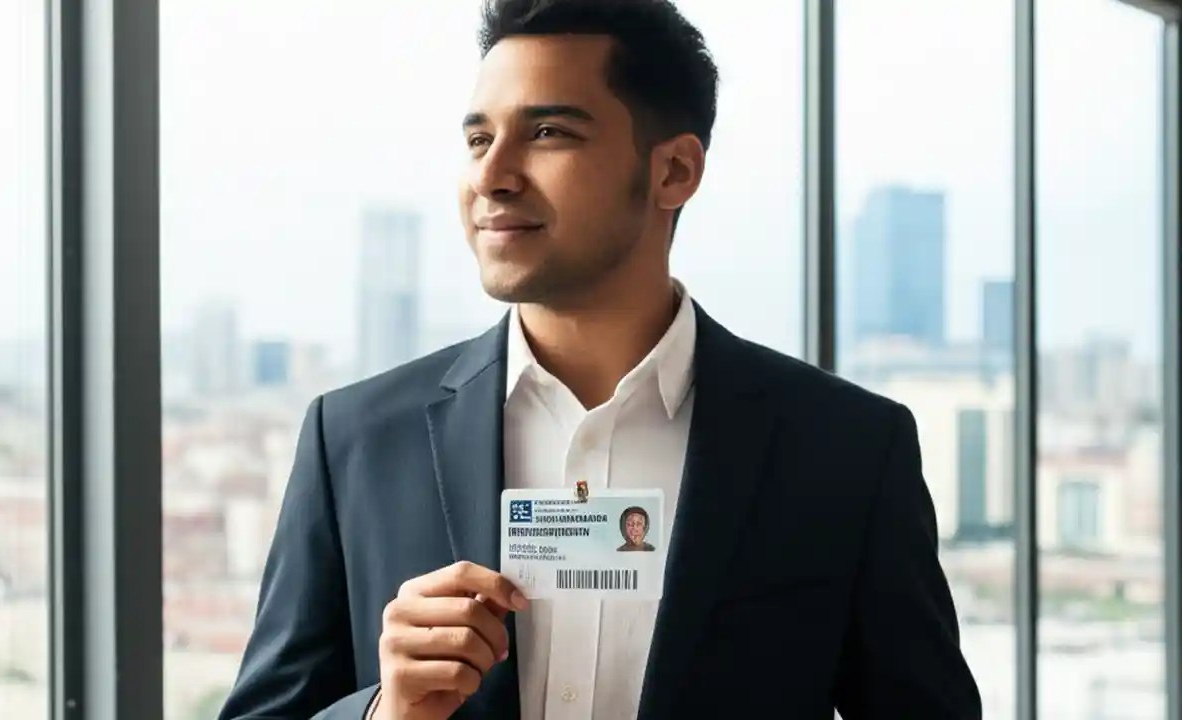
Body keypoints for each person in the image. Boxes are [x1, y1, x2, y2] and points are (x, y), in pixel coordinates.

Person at [219, 0, 983, 718]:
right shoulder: (353, 440)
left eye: (548, 133)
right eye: (479, 139)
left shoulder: (845, 449)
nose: (492, 176)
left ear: (674, 171)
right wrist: (386, 712)